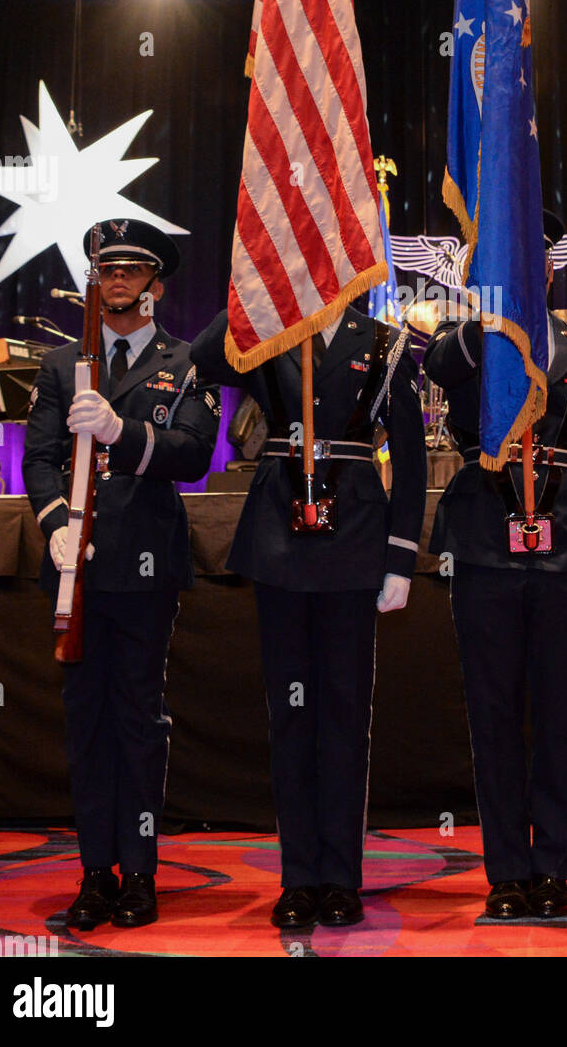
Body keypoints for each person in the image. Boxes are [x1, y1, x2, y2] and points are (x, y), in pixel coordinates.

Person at [423, 211, 567, 921]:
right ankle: (507, 871)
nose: (525, 274)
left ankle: (552, 868)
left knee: (559, 714)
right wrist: (485, 313)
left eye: (531, 263)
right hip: (485, 536)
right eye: (508, 263)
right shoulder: (470, 341)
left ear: (550, 270)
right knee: (492, 712)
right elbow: (434, 367)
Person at [191, 302, 427, 929]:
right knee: (290, 716)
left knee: (346, 715)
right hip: (279, 541)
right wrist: (255, 288)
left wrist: (402, 559)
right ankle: (298, 878)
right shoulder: (271, 328)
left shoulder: (385, 342)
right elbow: (206, 357)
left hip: (354, 540)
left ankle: (341, 878)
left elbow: (410, 456)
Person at [23, 219, 220, 931]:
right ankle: (94, 871)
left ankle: (139, 871)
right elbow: (38, 458)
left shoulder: (186, 361)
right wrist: (55, 525)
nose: (118, 280)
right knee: (86, 723)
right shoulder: (59, 365)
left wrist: (120, 433)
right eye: (108, 269)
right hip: (78, 572)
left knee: (139, 722)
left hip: (145, 567)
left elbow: (194, 452)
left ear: (156, 285)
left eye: (132, 270)